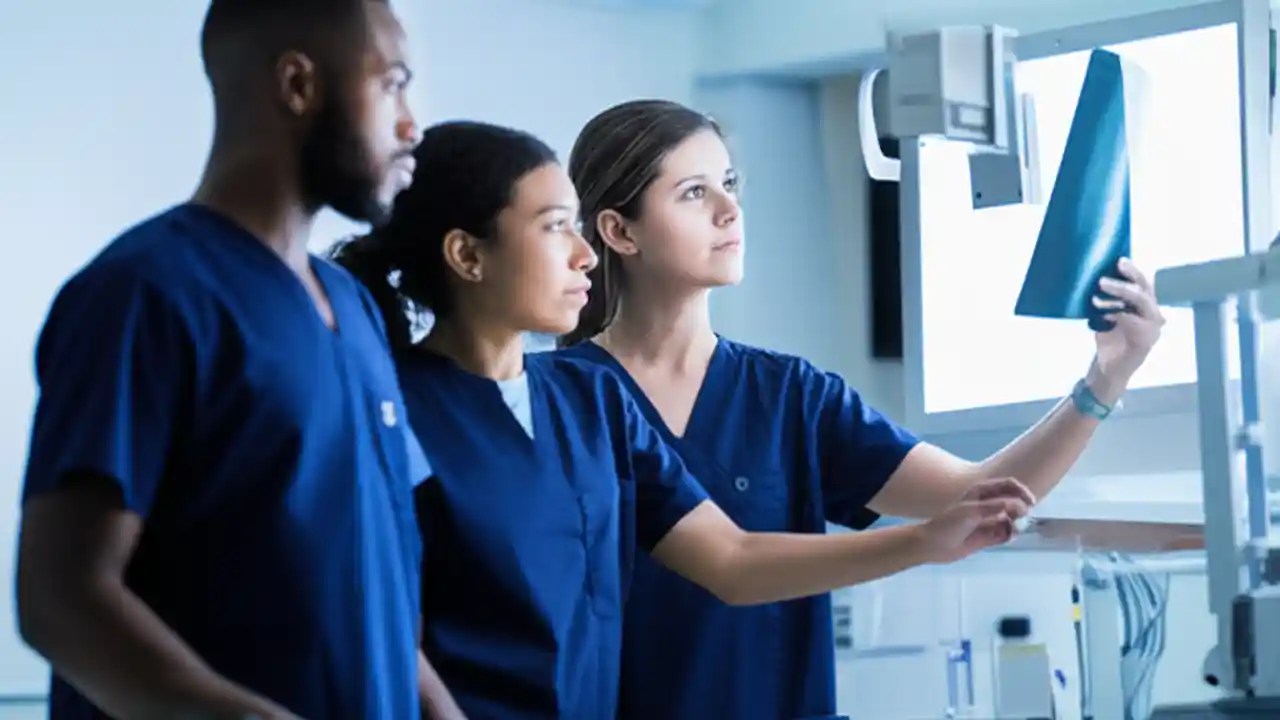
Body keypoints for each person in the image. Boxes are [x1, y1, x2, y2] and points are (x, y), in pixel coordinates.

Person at [331, 119, 1037, 720]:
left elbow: (732, 561)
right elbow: (378, 621)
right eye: (554, 228)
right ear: (467, 255)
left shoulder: (591, 402)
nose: (584, 253)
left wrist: (923, 542)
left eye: (578, 226)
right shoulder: (390, 408)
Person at [554, 98, 1167, 720]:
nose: (729, 209)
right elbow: (725, 565)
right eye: (693, 193)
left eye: (729, 184)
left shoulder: (789, 395)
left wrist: (1106, 379)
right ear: (620, 232)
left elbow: (978, 494)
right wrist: (921, 543)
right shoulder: (564, 399)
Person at [14, 1, 460, 718]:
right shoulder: (146, 293)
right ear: (297, 84)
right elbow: (60, 600)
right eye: (392, 85)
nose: (412, 126)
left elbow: (373, 588)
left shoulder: (354, 309)